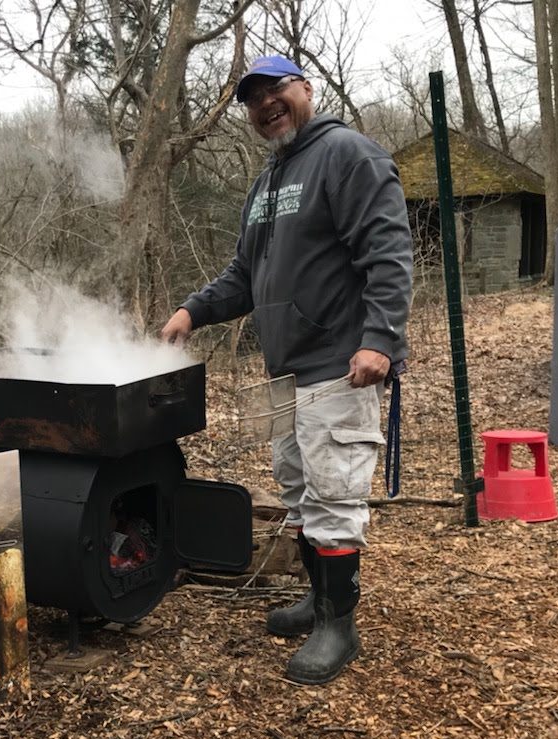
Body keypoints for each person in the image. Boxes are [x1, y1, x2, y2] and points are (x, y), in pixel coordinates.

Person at [160, 55, 413, 684]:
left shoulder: (347, 155)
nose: (265, 104)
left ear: (305, 88)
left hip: (337, 363)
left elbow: (389, 253)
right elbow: (245, 276)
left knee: (333, 494)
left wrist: (379, 339)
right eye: (253, 100)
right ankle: (316, 601)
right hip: (284, 373)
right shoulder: (267, 184)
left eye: (276, 90)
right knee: (299, 490)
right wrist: (192, 312)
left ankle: (339, 626)